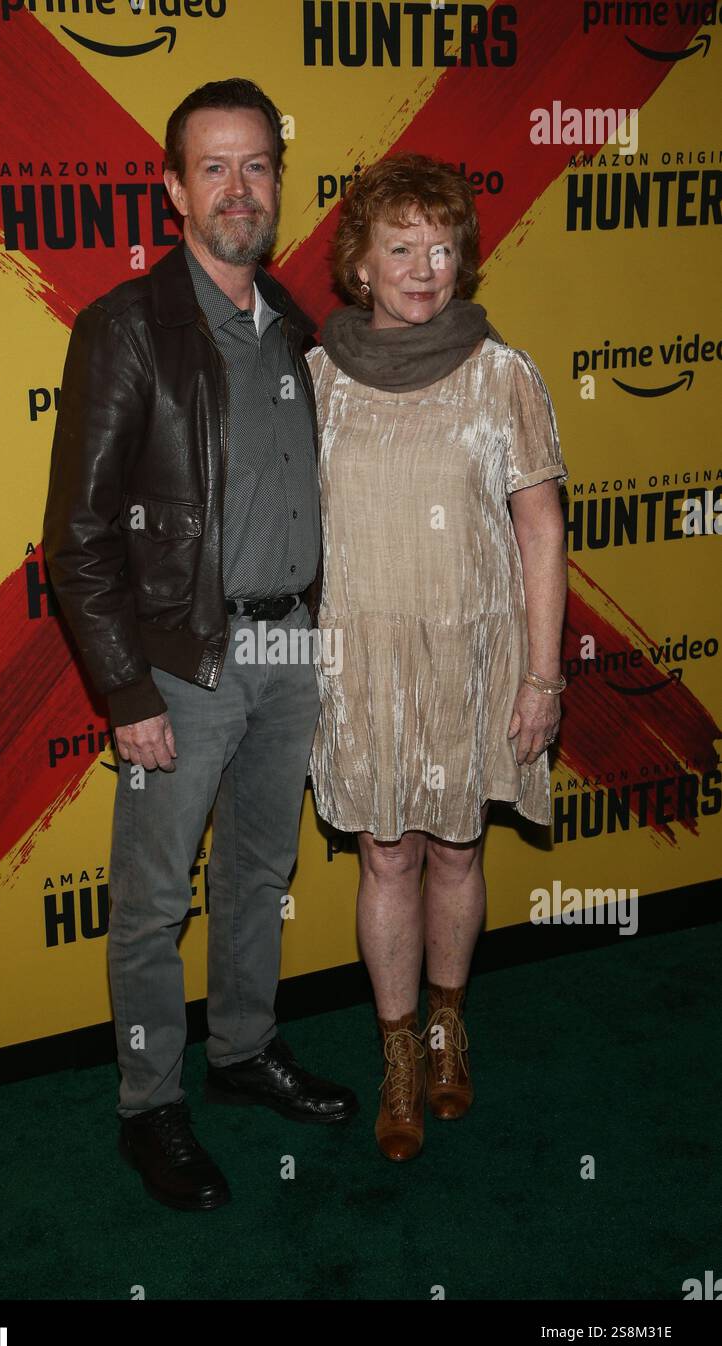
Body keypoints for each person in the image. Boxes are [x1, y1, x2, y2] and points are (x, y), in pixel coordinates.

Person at [43, 78, 358, 1213]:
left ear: (278, 182)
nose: (239, 187)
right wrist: (127, 688)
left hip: (289, 660)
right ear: (173, 188)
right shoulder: (125, 329)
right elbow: (75, 540)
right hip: (181, 664)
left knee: (260, 877)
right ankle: (147, 1104)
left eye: (257, 165)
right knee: (148, 905)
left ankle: (239, 1052)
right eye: (213, 166)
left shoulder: (298, 331)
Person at [306, 152, 568, 1162]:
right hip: (360, 660)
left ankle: (447, 1028)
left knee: (457, 848)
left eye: (442, 247)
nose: (424, 267)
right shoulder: (316, 379)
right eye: (399, 247)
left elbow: (539, 529)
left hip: (474, 654)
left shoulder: (502, 375)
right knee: (384, 851)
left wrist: (541, 676)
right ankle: (396, 1057)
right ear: (359, 264)